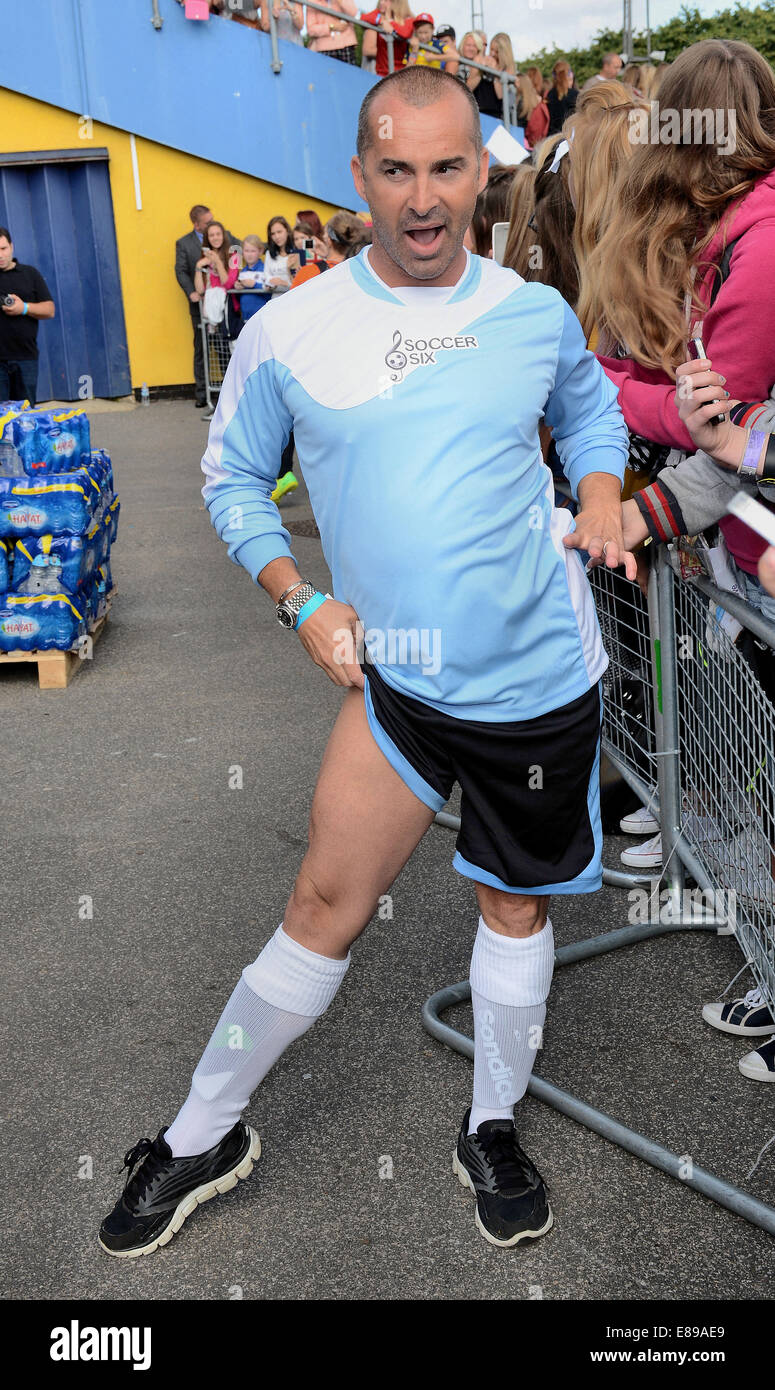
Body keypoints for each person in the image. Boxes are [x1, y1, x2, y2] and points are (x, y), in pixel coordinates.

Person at [99, 63, 633, 1259]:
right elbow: (231, 476)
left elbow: (589, 411)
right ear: (359, 177)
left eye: (449, 168)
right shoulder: (291, 328)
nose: (425, 196)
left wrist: (598, 492)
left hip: (538, 687)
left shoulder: (532, 313)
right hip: (396, 686)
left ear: (480, 175)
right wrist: (301, 602)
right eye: (397, 170)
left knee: (511, 911)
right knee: (318, 908)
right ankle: (200, 1132)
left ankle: (490, 1123)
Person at [586, 38, 775, 869]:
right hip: (736, 534)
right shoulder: (725, 228)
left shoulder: (759, 241)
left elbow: (726, 427)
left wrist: (611, 398)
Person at [175, 205, 239, 409]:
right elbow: (181, 271)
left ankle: (230, 392)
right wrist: (192, 291)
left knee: (225, 350)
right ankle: (203, 394)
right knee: (201, 350)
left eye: (217, 230)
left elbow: (242, 253)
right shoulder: (184, 243)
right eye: (208, 226)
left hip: (226, 308)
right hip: (200, 307)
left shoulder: (229, 243)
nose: (214, 232)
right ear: (198, 225)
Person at [0, 227, 55, 407]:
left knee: (26, 417)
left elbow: (49, 310)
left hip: (25, 358)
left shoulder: (30, 274)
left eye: (3, 249)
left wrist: (23, 308)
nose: (0, 255)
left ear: (12, 247)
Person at [194, 220, 242, 340]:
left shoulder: (235, 255)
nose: (215, 238)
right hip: (212, 315)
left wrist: (218, 262)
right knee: (219, 355)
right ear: (207, 238)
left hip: (229, 312)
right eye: (211, 235)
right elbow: (200, 290)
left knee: (231, 350)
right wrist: (199, 266)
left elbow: (229, 284)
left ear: (223, 236)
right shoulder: (204, 258)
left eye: (218, 234)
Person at [359, 1, 414, 76]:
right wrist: (382, 21)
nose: (381, 2)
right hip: (380, 73)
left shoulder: (409, 20)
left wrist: (390, 23)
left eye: (386, 0)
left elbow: (405, 33)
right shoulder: (378, 15)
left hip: (398, 75)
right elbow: (363, 17)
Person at [234, 235, 272, 327]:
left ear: (260, 251)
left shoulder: (265, 270)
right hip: (246, 319)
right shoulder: (242, 272)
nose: (249, 254)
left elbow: (270, 292)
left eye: (253, 251)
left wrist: (255, 284)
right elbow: (238, 298)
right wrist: (237, 288)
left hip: (262, 317)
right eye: (246, 251)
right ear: (242, 252)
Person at [263, 215, 300, 291]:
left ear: (287, 231)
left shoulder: (296, 252)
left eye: (279, 232)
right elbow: (265, 277)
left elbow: (301, 281)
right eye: (273, 234)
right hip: (275, 298)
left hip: (292, 297)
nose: (277, 237)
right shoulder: (269, 253)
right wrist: (270, 282)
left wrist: (286, 284)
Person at [545, 59, 578, 135]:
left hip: (553, 136)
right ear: (569, 74)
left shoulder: (550, 94)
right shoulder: (574, 94)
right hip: (570, 136)